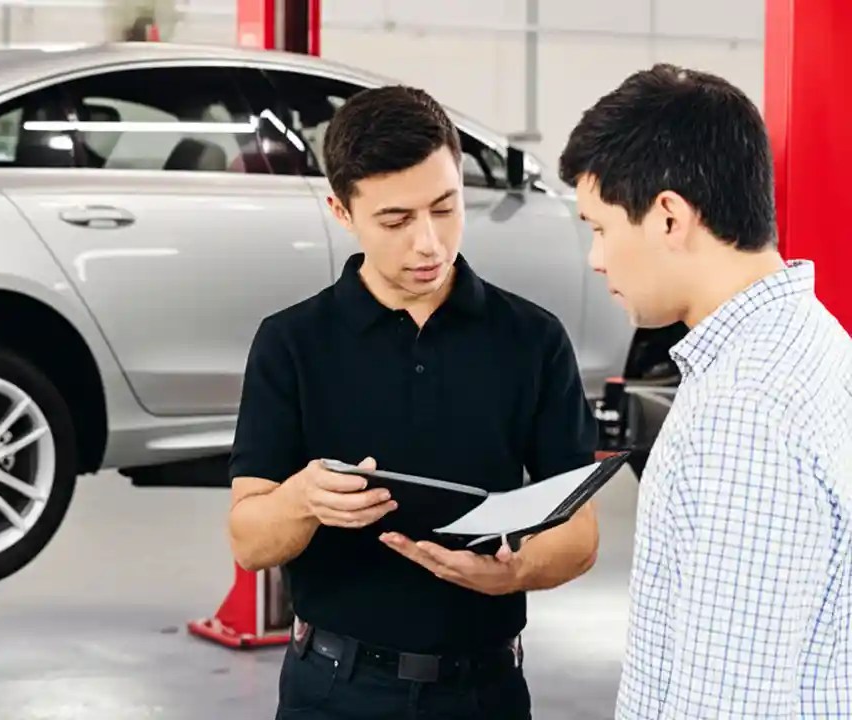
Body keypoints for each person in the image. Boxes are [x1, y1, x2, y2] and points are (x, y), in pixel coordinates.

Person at [227, 84, 603, 720]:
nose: (428, 243)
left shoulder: (531, 339)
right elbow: (249, 541)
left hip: (485, 691)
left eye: (445, 208)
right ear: (341, 213)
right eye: (396, 221)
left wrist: (513, 572)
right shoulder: (292, 343)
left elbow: (580, 531)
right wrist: (303, 499)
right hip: (334, 689)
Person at [558, 64, 852, 719]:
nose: (595, 258)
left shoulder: (744, 417)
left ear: (668, 217)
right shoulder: (814, 343)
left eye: (600, 228)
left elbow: (727, 704)